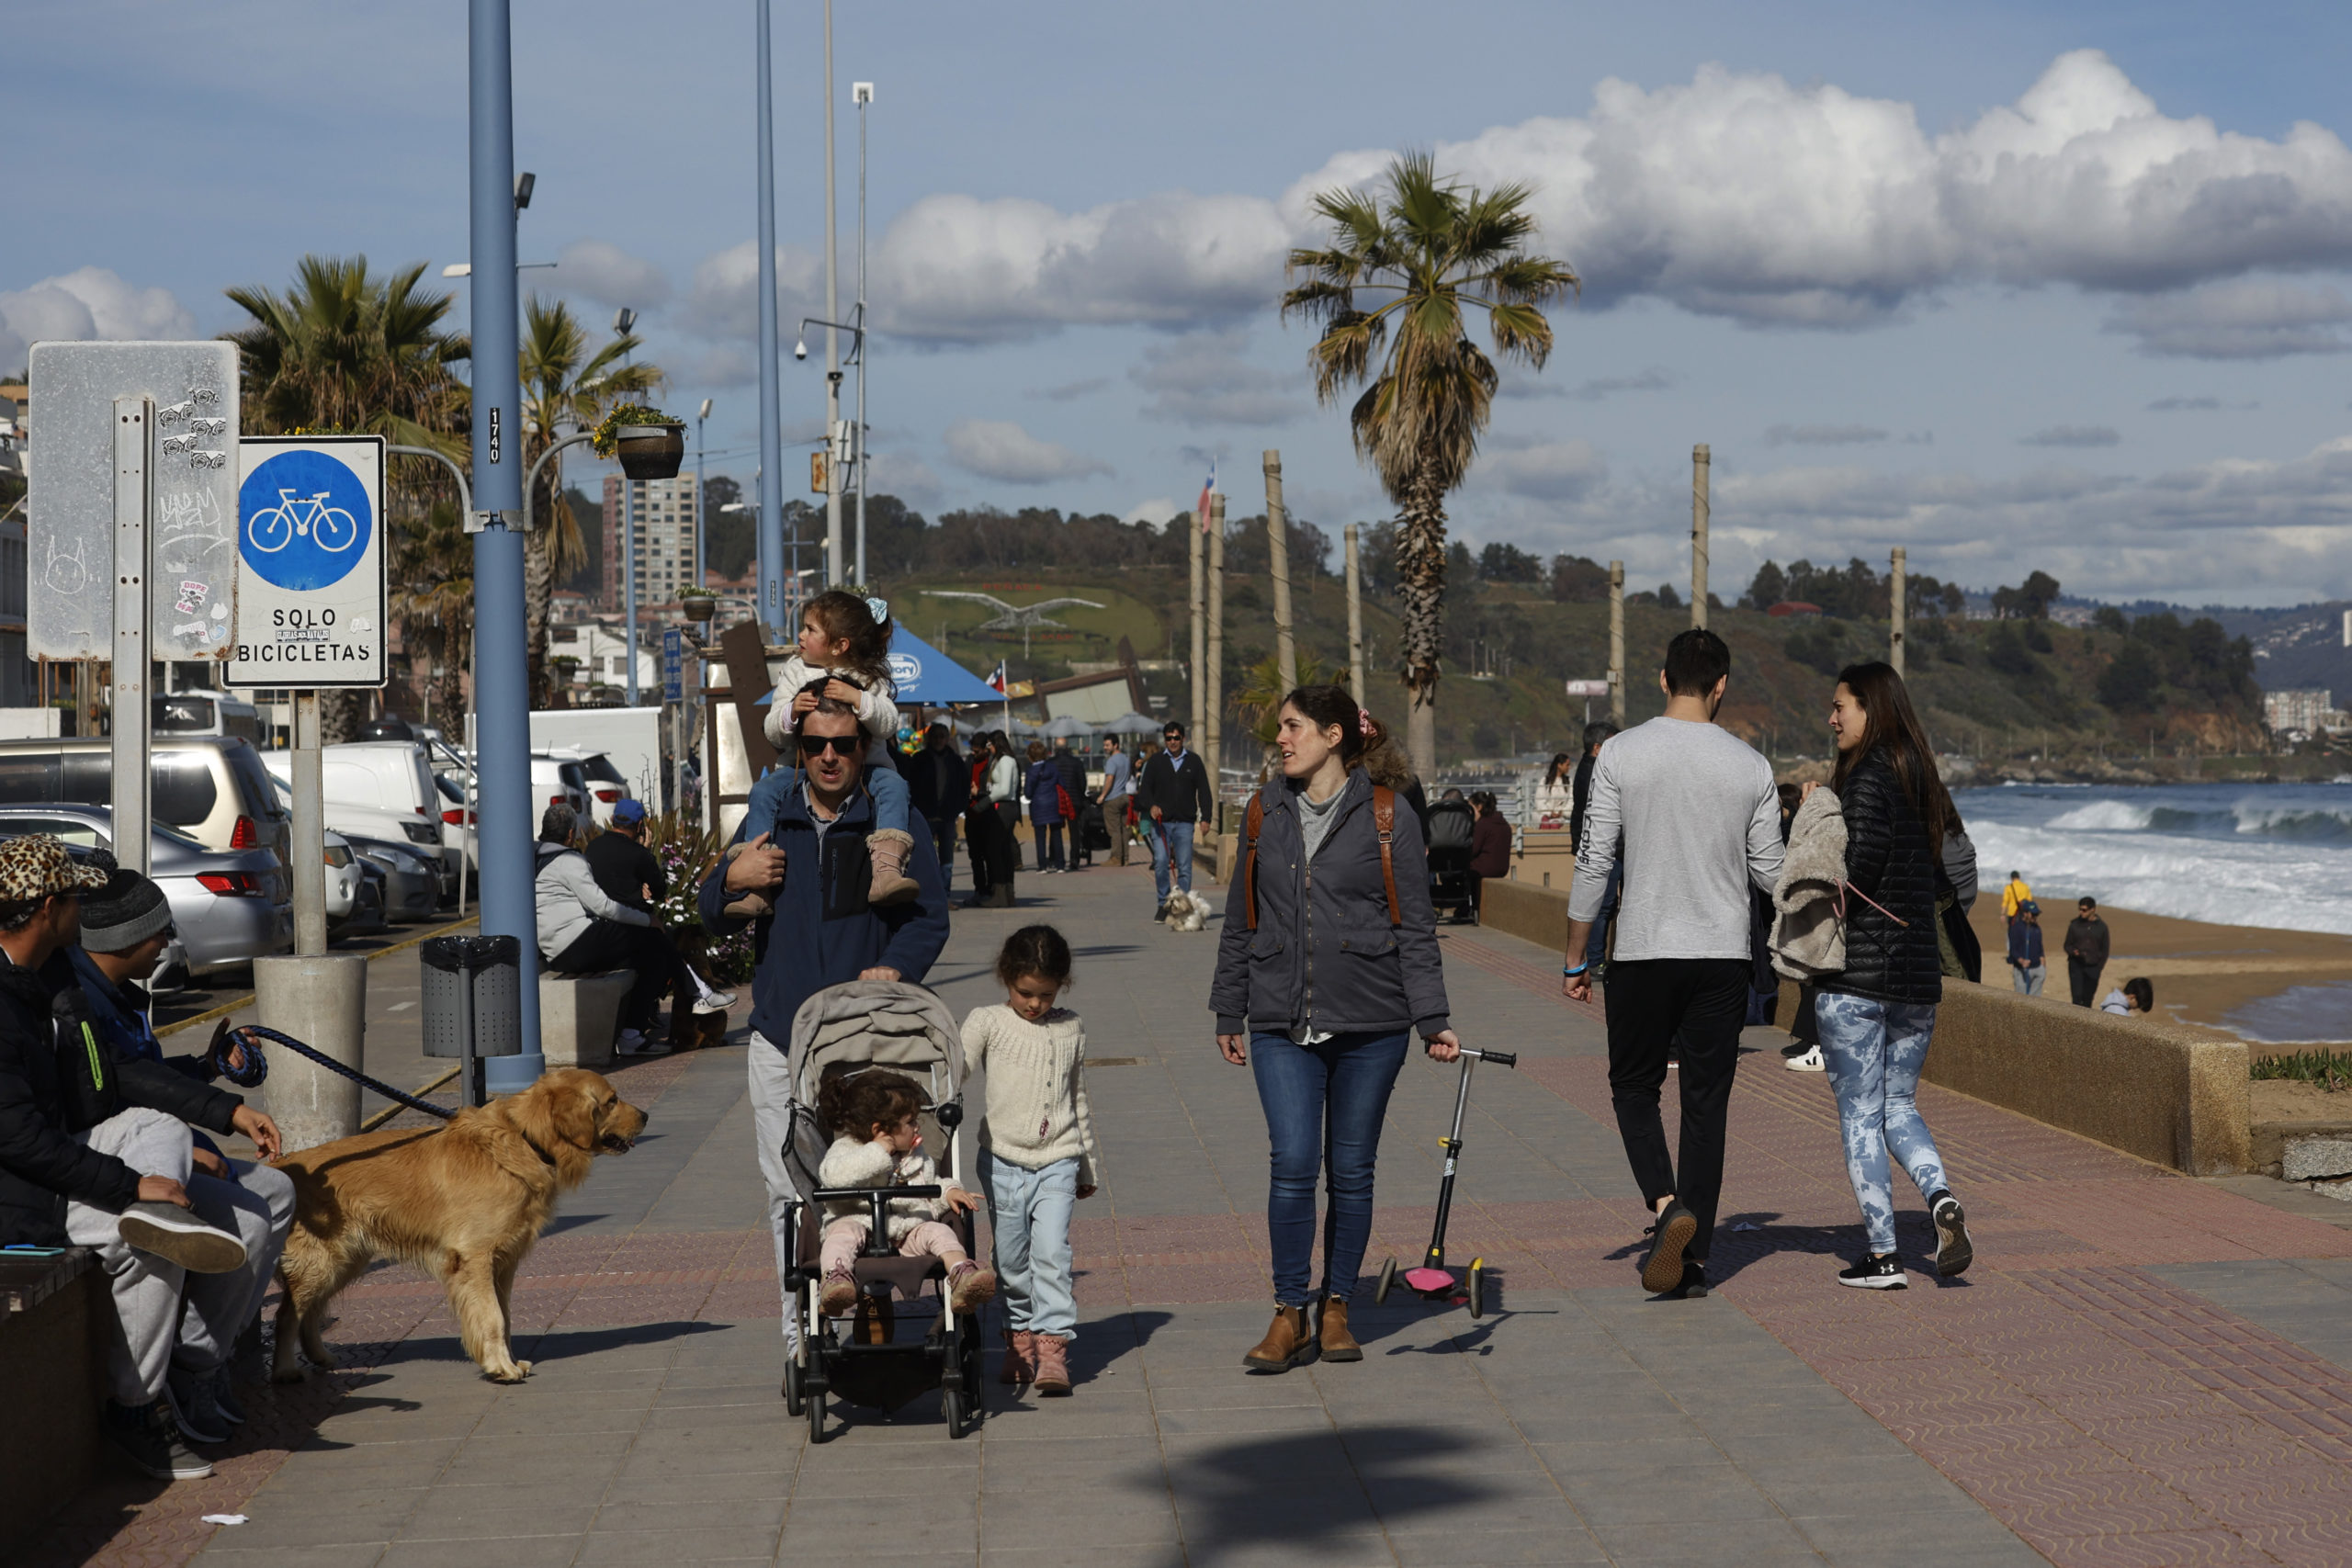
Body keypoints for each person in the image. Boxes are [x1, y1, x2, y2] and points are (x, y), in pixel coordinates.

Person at [0, 836, 281, 1483]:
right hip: (23, 1198)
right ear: (48, 907)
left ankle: (191, 1351)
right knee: (151, 1247)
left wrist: (220, 1109)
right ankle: (135, 1409)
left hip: (66, 1161)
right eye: (77, 896)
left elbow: (121, 1077)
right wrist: (130, 1187)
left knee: (194, 1160)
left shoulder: (52, 979)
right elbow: (17, 1140)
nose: (86, 909)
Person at [701, 688, 952, 1372]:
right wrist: (732, 877)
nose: (831, 756)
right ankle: (799, 1338)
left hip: (861, 1040)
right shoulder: (771, 816)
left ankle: (870, 1299)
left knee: (871, 1181)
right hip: (781, 1037)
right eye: (816, 745)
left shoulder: (889, 827)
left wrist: (894, 968)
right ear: (798, 749)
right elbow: (707, 911)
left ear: (864, 746)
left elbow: (930, 916)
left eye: (844, 744)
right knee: (788, 1191)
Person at [1212, 685, 1457, 1371]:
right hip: (1278, 1021)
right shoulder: (1263, 810)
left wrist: (1432, 1018)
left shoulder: (1388, 815)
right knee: (1293, 1162)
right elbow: (1241, 917)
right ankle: (1289, 1310)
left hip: (1373, 1022)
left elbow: (1415, 923)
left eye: (1292, 728)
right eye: (1281, 728)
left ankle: (1339, 1305)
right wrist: (1229, 1008)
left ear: (1332, 734)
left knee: (1350, 1169)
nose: (1281, 739)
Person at [1563, 631, 1781, 1301]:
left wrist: (1577, 956)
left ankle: (1665, 1207)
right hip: (1721, 956)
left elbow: (1594, 858)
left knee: (1634, 1087)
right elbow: (1772, 871)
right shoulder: (1751, 765)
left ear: (1662, 679)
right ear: (1720, 686)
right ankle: (1695, 1258)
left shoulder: (1620, 752)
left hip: (1643, 951)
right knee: (1705, 1107)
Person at [68, 856, 296, 1449]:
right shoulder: (69, 1000)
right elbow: (106, 1093)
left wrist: (206, 1071)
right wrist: (196, 1140)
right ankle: (163, 1383)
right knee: (192, 1232)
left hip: (145, 1143)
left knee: (273, 1192)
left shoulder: (117, 994)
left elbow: (139, 1076)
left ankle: (201, 1363)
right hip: (103, 1163)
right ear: (128, 938)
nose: (170, 942)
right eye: (161, 931)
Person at [1809, 660, 1972, 1290]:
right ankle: (1940, 1199)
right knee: (1898, 1105)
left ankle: (1883, 1255)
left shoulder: (1868, 776)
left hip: (1858, 982)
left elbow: (1858, 868)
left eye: (1840, 706)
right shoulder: (1920, 777)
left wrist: (1819, 820)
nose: (1832, 718)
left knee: (1859, 1114)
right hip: (1916, 978)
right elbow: (1938, 878)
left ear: (1870, 709)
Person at [962, 924, 1098, 1397]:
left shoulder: (1071, 1026)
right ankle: (1018, 1340)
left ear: (1062, 985)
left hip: (1058, 1158)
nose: (1035, 1004)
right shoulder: (986, 1021)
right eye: (1025, 993)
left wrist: (1086, 1164)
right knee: (1013, 1260)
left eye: (1045, 993)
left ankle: (1053, 1347)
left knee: (1052, 1255)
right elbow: (955, 1068)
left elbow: (1077, 1096)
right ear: (1006, 978)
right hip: (1000, 1162)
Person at [760, 590, 920, 905]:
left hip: (868, 769)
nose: (801, 635)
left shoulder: (866, 675)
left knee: (896, 788)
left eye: (810, 629)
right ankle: (754, 872)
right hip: (799, 768)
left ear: (839, 646)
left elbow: (888, 724)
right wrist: (791, 711)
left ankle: (887, 870)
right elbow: (772, 732)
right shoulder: (795, 670)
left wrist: (859, 699)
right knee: (763, 792)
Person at [813, 1070, 997, 1317]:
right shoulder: (847, 1149)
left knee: (940, 1231)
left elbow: (929, 1184)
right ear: (880, 1129)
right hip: (860, 1226)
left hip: (906, 1232)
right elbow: (834, 1177)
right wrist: (878, 1152)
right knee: (841, 1235)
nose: (917, 1126)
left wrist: (949, 1191)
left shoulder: (914, 1156)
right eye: (910, 1122)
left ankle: (961, 1274)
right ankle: (835, 1280)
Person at [537, 805, 708, 1053]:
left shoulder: (533, 856)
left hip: (555, 950)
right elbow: (604, 906)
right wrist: (648, 919)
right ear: (572, 834)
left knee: (647, 955)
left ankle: (636, 1030)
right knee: (653, 937)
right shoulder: (568, 861)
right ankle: (693, 993)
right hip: (576, 944)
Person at [588, 799, 735, 1015]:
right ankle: (700, 994)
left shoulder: (593, 848)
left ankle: (699, 994)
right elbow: (659, 891)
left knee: (661, 944)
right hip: (629, 929)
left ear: (612, 821)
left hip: (597, 929)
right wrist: (645, 854)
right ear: (640, 827)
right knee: (661, 946)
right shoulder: (638, 854)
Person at [1137, 720, 1213, 917]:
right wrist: (1151, 806)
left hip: (1185, 823)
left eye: (1176, 738)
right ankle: (1163, 904)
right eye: (1169, 738)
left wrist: (1206, 818)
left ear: (1183, 739)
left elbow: (1204, 791)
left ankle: (1183, 907)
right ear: (1165, 739)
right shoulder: (1155, 762)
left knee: (1185, 866)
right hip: (1162, 823)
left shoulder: (1194, 761)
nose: (1172, 742)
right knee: (1161, 862)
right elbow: (1144, 791)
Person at [1570, 720, 1623, 978]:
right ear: (1598, 747)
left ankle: (1597, 958)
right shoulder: (1595, 773)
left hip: (1606, 849)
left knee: (1605, 906)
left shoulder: (1586, 768)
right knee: (1603, 906)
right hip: (1610, 851)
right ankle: (1595, 960)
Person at [905, 723, 971, 890]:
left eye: (942, 736)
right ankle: (925, 894)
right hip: (925, 816)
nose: (938, 740)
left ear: (947, 738)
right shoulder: (920, 759)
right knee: (923, 857)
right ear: (929, 738)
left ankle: (945, 894)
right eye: (935, 736)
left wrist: (957, 808)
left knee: (947, 859)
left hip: (947, 816)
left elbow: (964, 787)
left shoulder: (955, 761)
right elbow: (911, 785)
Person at [1466, 789, 1511, 923]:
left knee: (1461, 869)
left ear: (1479, 807)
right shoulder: (1503, 823)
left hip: (1485, 868)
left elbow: (1473, 850)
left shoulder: (1482, 824)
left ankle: (1467, 909)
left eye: (1471, 808)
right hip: (1502, 869)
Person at [1024, 740, 1067, 873]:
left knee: (1040, 837)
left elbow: (1027, 792)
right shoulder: (1052, 767)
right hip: (1054, 803)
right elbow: (1062, 784)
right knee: (1056, 835)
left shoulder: (1031, 771)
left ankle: (1042, 866)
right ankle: (1060, 865)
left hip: (1038, 805)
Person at [2064, 897, 2110, 1009]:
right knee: (2076, 997)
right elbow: (2067, 945)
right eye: (2080, 909)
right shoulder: (2074, 925)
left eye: (2084, 910)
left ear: (2092, 910)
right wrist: (2073, 952)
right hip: (2076, 965)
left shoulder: (2102, 927)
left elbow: (2105, 949)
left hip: (2093, 967)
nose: (2081, 912)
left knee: (2088, 999)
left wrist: (2099, 967)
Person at [1052, 740, 1092, 870]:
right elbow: (1082, 782)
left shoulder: (1050, 763)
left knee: (1055, 830)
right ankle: (1074, 859)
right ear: (1068, 747)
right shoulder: (1076, 762)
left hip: (1056, 800)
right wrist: (1080, 796)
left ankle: (1055, 858)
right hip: (1074, 800)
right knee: (1074, 831)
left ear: (1055, 748)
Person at [1098, 736, 1134, 867]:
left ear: (1116, 745)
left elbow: (1109, 779)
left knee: (1114, 830)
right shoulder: (1125, 759)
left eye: (1107, 745)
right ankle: (1125, 858)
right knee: (1123, 829)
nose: (1105, 748)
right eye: (1104, 745)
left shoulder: (1111, 761)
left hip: (1112, 798)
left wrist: (1102, 795)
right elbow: (1128, 776)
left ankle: (1116, 858)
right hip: (1124, 795)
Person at [2007, 902, 2046, 996]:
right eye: (2033, 914)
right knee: (2021, 999)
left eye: (2036, 914)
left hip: (2037, 968)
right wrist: (2021, 960)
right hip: (2021, 970)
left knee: (2035, 1001)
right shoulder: (2016, 928)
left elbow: (2039, 946)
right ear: (2025, 913)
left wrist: (2043, 962)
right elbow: (2013, 949)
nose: (2035, 917)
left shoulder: (2037, 928)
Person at [1535, 751, 1576, 829]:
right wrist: (1549, 813)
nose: (1569, 767)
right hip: (1545, 814)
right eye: (1567, 765)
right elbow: (1539, 801)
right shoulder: (1545, 781)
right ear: (1559, 765)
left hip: (1560, 815)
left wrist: (1562, 812)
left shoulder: (1568, 781)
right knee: (1545, 823)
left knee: (1554, 825)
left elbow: (1571, 801)